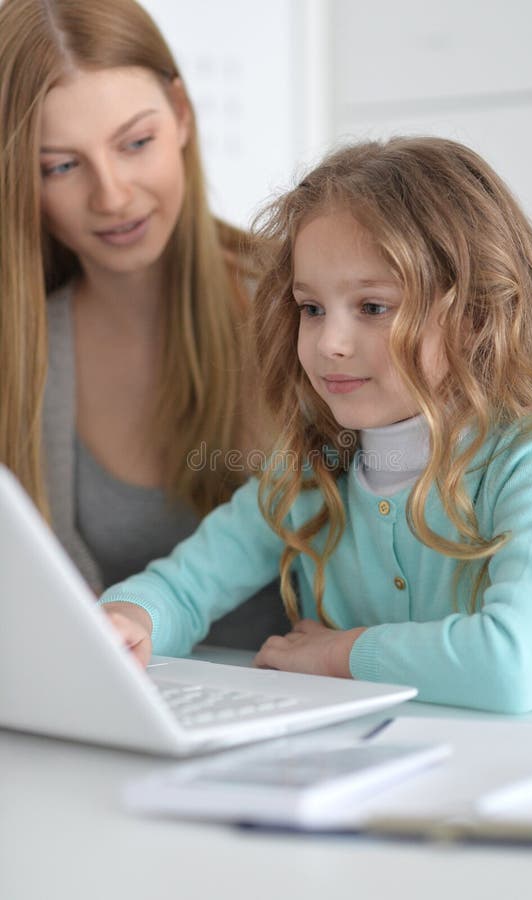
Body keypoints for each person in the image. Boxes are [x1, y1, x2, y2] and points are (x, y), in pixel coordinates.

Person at [100, 136, 532, 713]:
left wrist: (339, 654)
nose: (329, 343)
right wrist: (126, 622)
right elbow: (183, 587)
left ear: (474, 315)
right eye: (312, 309)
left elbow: (517, 665)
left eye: (372, 307)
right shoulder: (308, 477)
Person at [0, 0, 288, 647]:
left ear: (180, 114)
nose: (112, 196)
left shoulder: (306, 308)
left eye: (135, 143)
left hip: (315, 695)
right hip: (111, 702)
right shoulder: (21, 350)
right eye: (60, 166)